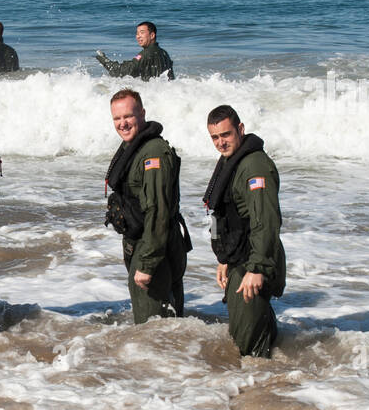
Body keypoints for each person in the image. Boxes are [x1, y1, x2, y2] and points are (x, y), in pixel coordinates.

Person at [201, 105, 285, 357]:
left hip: (253, 260)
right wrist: (223, 259)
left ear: (240, 129)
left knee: (248, 346)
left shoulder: (254, 167)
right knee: (244, 334)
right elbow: (224, 213)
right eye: (215, 137)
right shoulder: (230, 162)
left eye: (225, 135)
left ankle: (263, 389)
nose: (220, 142)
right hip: (239, 258)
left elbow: (266, 221)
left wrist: (257, 268)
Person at [103, 89, 190, 323]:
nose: (122, 124)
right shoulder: (133, 147)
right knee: (164, 329)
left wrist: (148, 263)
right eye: (117, 119)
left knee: (152, 329)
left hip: (154, 247)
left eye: (128, 116)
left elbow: (158, 211)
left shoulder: (153, 153)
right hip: (143, 243)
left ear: (142, 113)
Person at [95, 21, 174, 81]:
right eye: (137, 33)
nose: (138, 36)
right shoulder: (164, 53)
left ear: (152, 35)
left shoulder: (145, 54)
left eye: (142, 33)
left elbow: (121, 72)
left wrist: (103, 60)